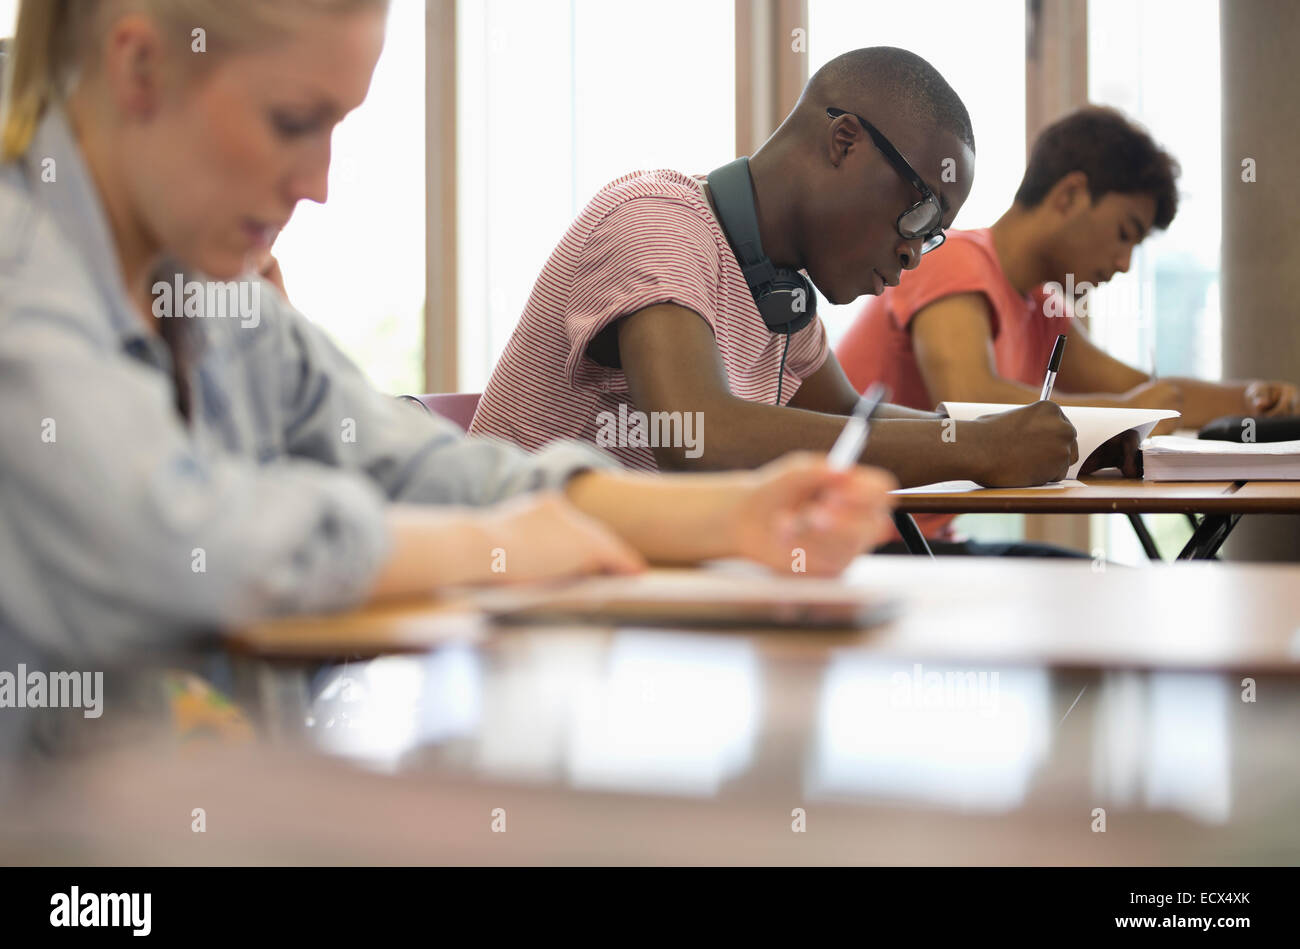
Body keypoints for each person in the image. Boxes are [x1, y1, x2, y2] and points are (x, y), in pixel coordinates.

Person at [0, 0, 896, 688]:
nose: (316, 185)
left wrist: (732, 519)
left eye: (338, 129)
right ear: (142, 67)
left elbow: (424, 467)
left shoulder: (208, 294)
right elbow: (181, 542)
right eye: (291, 122)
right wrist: (489, 547)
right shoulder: (21, 274)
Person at [469, 46, 1090, 492]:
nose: (912, 250)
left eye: (933, 236)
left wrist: (1027, 437)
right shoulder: (656, 219)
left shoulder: (780, 290)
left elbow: (849, 416)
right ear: (845, 141)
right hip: (528, 620)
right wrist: (979, 450)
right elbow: (699, 436)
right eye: (920, 210)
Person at [835, 105, 1298, 548]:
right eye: (1124, 233)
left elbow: (1149, 391)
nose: (1122, 264)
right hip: (861, 548)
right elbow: (970, 401)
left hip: (926, 543)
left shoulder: (1042, 306)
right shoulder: (954, 259)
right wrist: (1129, 409)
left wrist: (1260, 398)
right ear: (1070, 195)